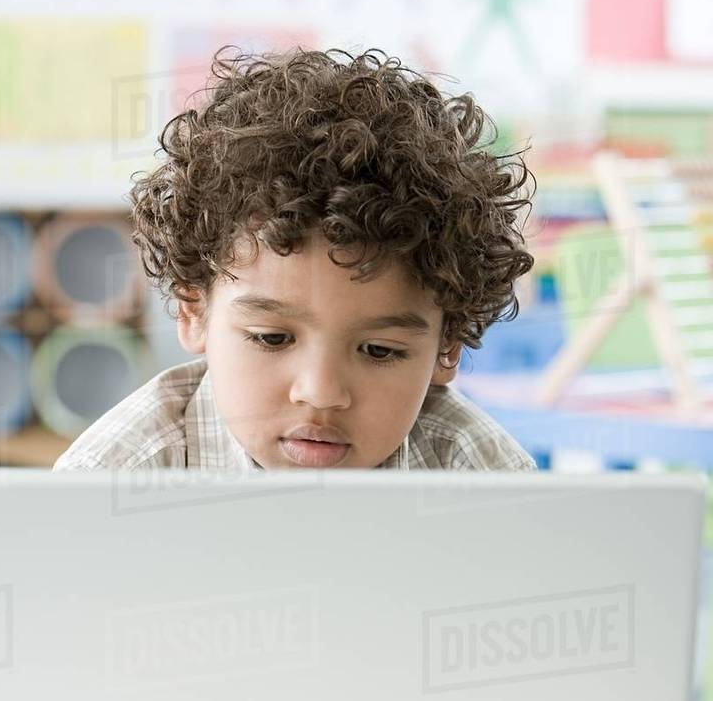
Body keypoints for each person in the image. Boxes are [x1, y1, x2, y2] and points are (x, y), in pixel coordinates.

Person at [54, 46, 537, 473]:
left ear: (447, 346)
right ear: (194, 310)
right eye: (272, 338)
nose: (321, 393)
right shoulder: (113, 478)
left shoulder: (481, 478)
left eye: (380, 351)